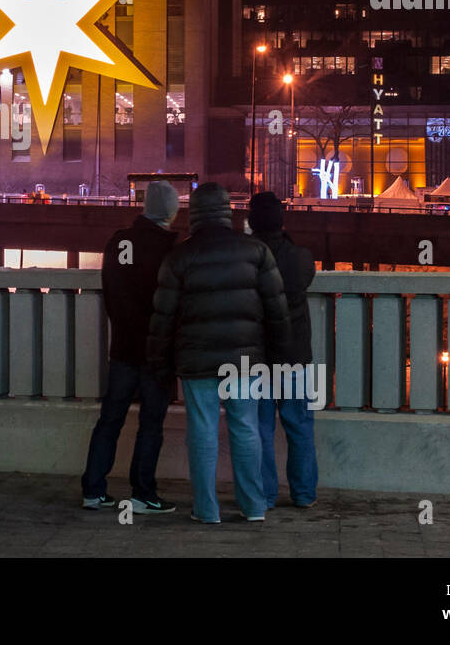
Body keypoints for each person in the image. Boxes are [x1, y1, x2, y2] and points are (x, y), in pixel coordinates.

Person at [147, 183, 289, 524]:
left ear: (193, 213)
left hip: (197, 360)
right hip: (244, 360)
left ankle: (207, 509)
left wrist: (157, 362)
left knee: (203, 429)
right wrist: (280, 357)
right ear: (228, 211)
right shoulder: (255, 251)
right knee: (246, 428)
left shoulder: (179, 256)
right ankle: (253, 506)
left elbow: (163, 317)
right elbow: (277, 311)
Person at [81, 180, 181, 513]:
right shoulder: (169, 249)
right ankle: (142, 492)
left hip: (123, 346)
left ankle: (93, 489)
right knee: (151, 423)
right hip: (156, 351)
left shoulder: (119, 242)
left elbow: (112, 291)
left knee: (110, 419)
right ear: (170, 210)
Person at [248, 192, 318, 509]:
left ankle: (264, 494)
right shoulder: (301, 257)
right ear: (282, 221)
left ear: (251, 223)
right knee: (299, 424)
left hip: (257, 355)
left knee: (261, 427)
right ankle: (303, 493)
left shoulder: (246, 258)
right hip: (295, 355)